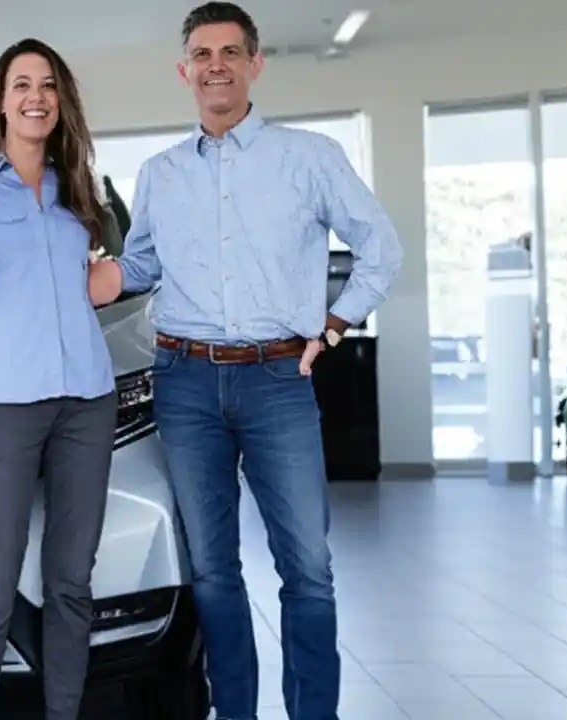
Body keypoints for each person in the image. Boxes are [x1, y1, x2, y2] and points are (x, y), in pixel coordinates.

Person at [88, 3, 404, 719]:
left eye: (230, 52)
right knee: (212, 571)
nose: (216, 66)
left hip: (277, 379)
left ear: (255, 64)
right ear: (185, 71)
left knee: (308, 568)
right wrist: (67, 273)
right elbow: (139, 268)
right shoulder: (161, 173)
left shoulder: (309, 158)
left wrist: (334, 325)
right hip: (185, 382)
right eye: (202, 55)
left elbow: (381, 249)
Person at [0, 37, 118, 720]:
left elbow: (95, 282)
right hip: (4, 406)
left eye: (48, 85)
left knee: (70, 582)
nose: (36, 97)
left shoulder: (80, 188)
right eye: (22, 85)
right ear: (2, 102)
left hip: (87, 401)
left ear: (61, 99)